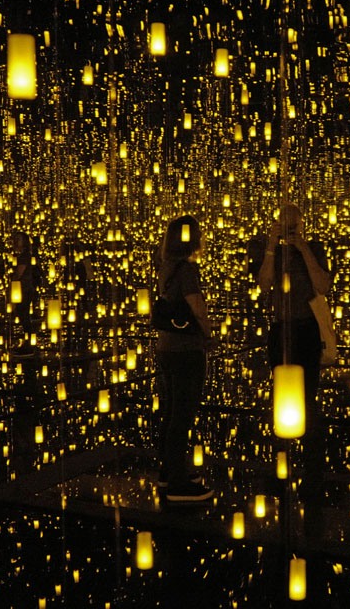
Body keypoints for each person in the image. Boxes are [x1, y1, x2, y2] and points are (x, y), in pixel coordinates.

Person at [255, 203, 332, 498]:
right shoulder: (270, 251)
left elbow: (323, 285)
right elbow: (264, 284)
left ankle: (313, 470)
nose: (290, 231)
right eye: (284, 226)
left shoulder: (314, 248)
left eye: (294, 226)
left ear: (302, 226)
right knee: (281, 396)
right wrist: (272, 247)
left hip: (307, 329)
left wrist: (304, 249)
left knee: (309, 398)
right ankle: (282, 463)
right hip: (280, 329)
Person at [155, 216, 216, 503]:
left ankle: (169, 471)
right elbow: (197, 306)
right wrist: (208, 333)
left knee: (170, 412)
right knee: (182, 415)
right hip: (186, 349)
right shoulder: (188, 269)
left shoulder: (166, 267)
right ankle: (179, 484)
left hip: (166, 348)